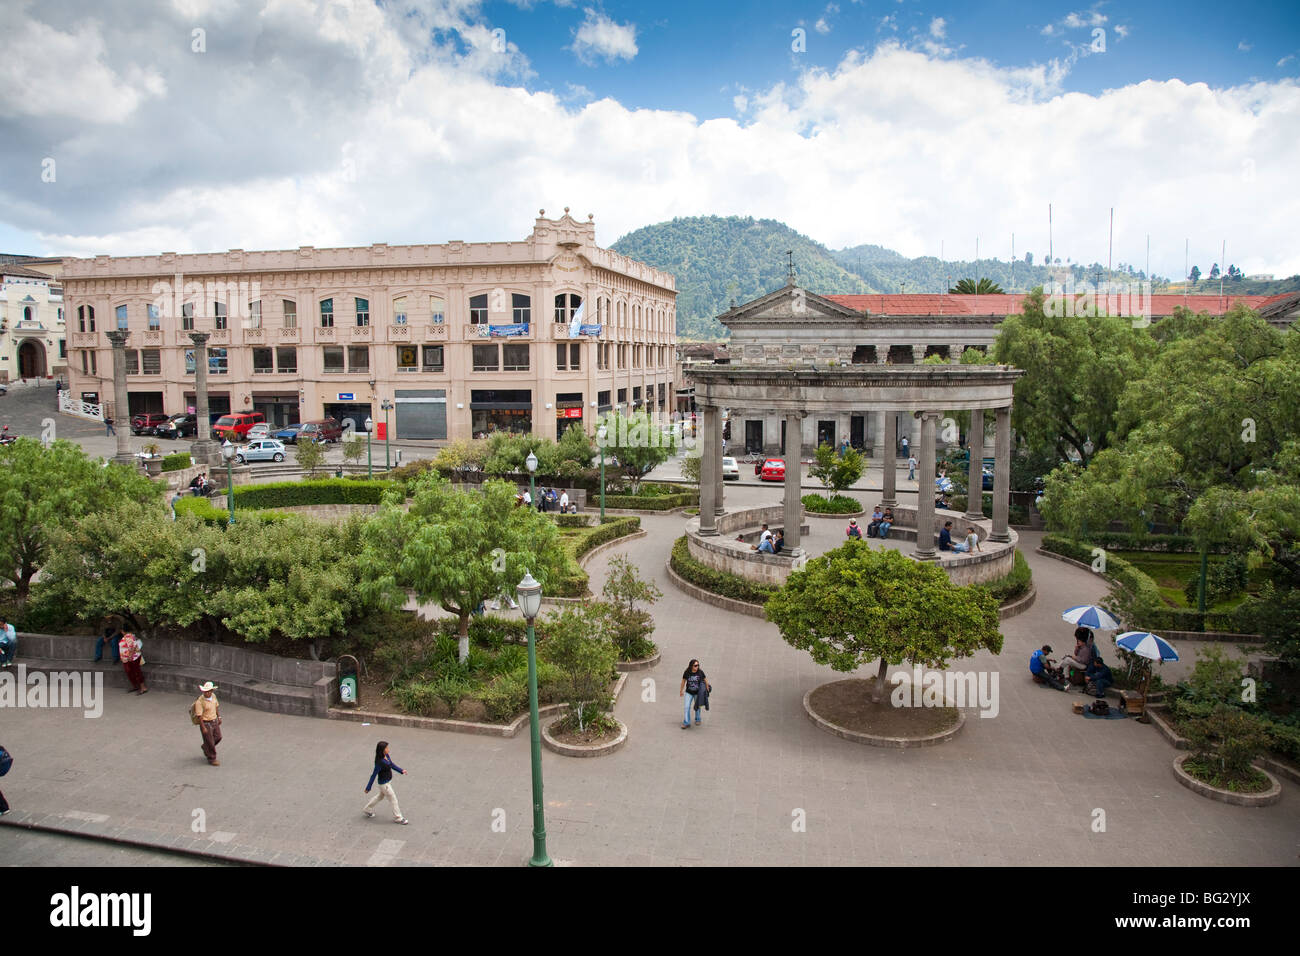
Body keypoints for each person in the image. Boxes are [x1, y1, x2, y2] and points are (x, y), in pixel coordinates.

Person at [363, 740, 409, 824]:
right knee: (393, 799)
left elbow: (391, 765)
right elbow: (373, 775)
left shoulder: (386, 756)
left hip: (387, 782)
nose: (388, 749)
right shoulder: (379, 762)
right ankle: (398, 817)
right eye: (387, 748)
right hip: (384, 785)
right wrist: (368, 787)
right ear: (382, 750)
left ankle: (367, 809)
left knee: (380, 797)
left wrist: (401, 770)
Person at [192, 681, 222, 766]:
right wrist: (203, 727)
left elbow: (216, 707)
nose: (208, 693)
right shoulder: (200, 702)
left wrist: (219, 717)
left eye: (209, 691)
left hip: (214, 720)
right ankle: (212, 758)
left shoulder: (213, 697)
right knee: (210, 741)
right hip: (206, 723)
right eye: (206, 691)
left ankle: (206, 747)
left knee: (218, 737)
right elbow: (199, 716)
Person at [679, 659, 710, 728]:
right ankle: (686, 722)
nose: (697, 667)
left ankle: (698, 719)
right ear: (691, 666)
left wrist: (707, 688)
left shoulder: (700, 672)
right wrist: (681, 691)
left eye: (698, 665)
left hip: (697, 693)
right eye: (695, 665)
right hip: (688, 692)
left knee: (697, 707)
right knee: (686, 707)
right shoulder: (687, 672)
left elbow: (705, 680)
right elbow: (683, 681)